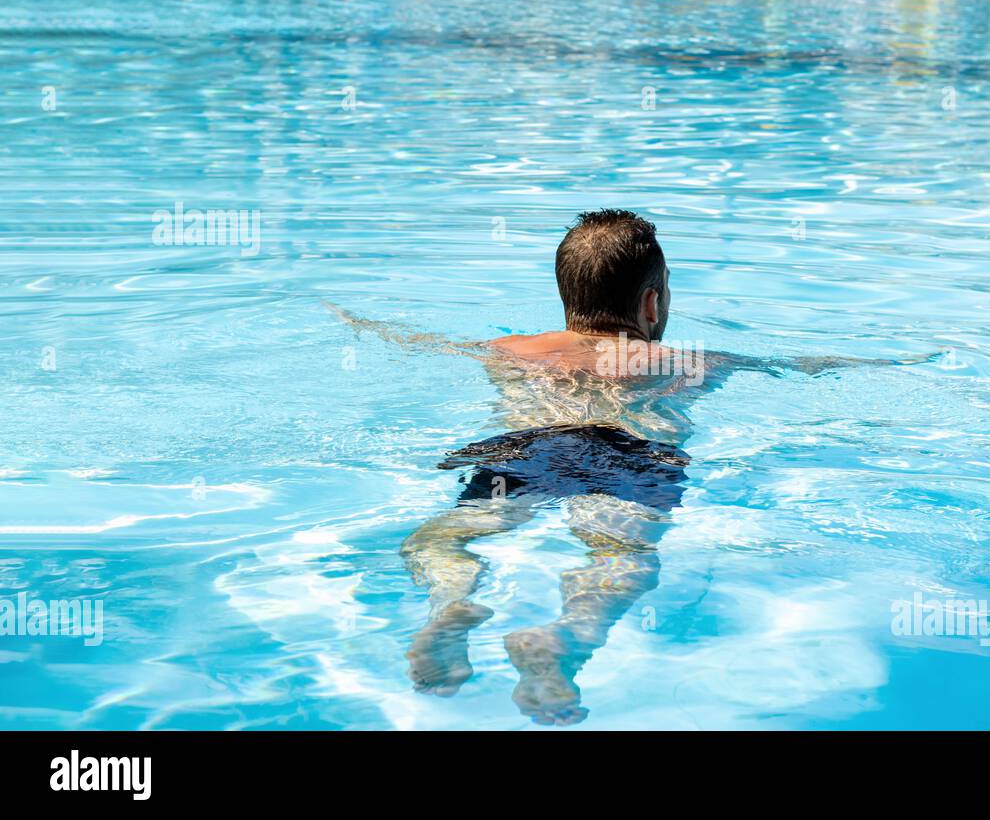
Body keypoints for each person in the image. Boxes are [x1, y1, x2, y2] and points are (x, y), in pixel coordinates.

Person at [329, 209, 929, 725]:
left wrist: (355, 321)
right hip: (630, 458)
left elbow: (409, 340)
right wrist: (900, 359)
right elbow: (803, 365)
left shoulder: (511, 350)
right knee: (621, 559)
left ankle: (452, 603)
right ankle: (563, 637)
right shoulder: (687, 359)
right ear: (651, 303)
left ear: (566, 298)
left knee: (441, 540)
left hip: (531, 449)